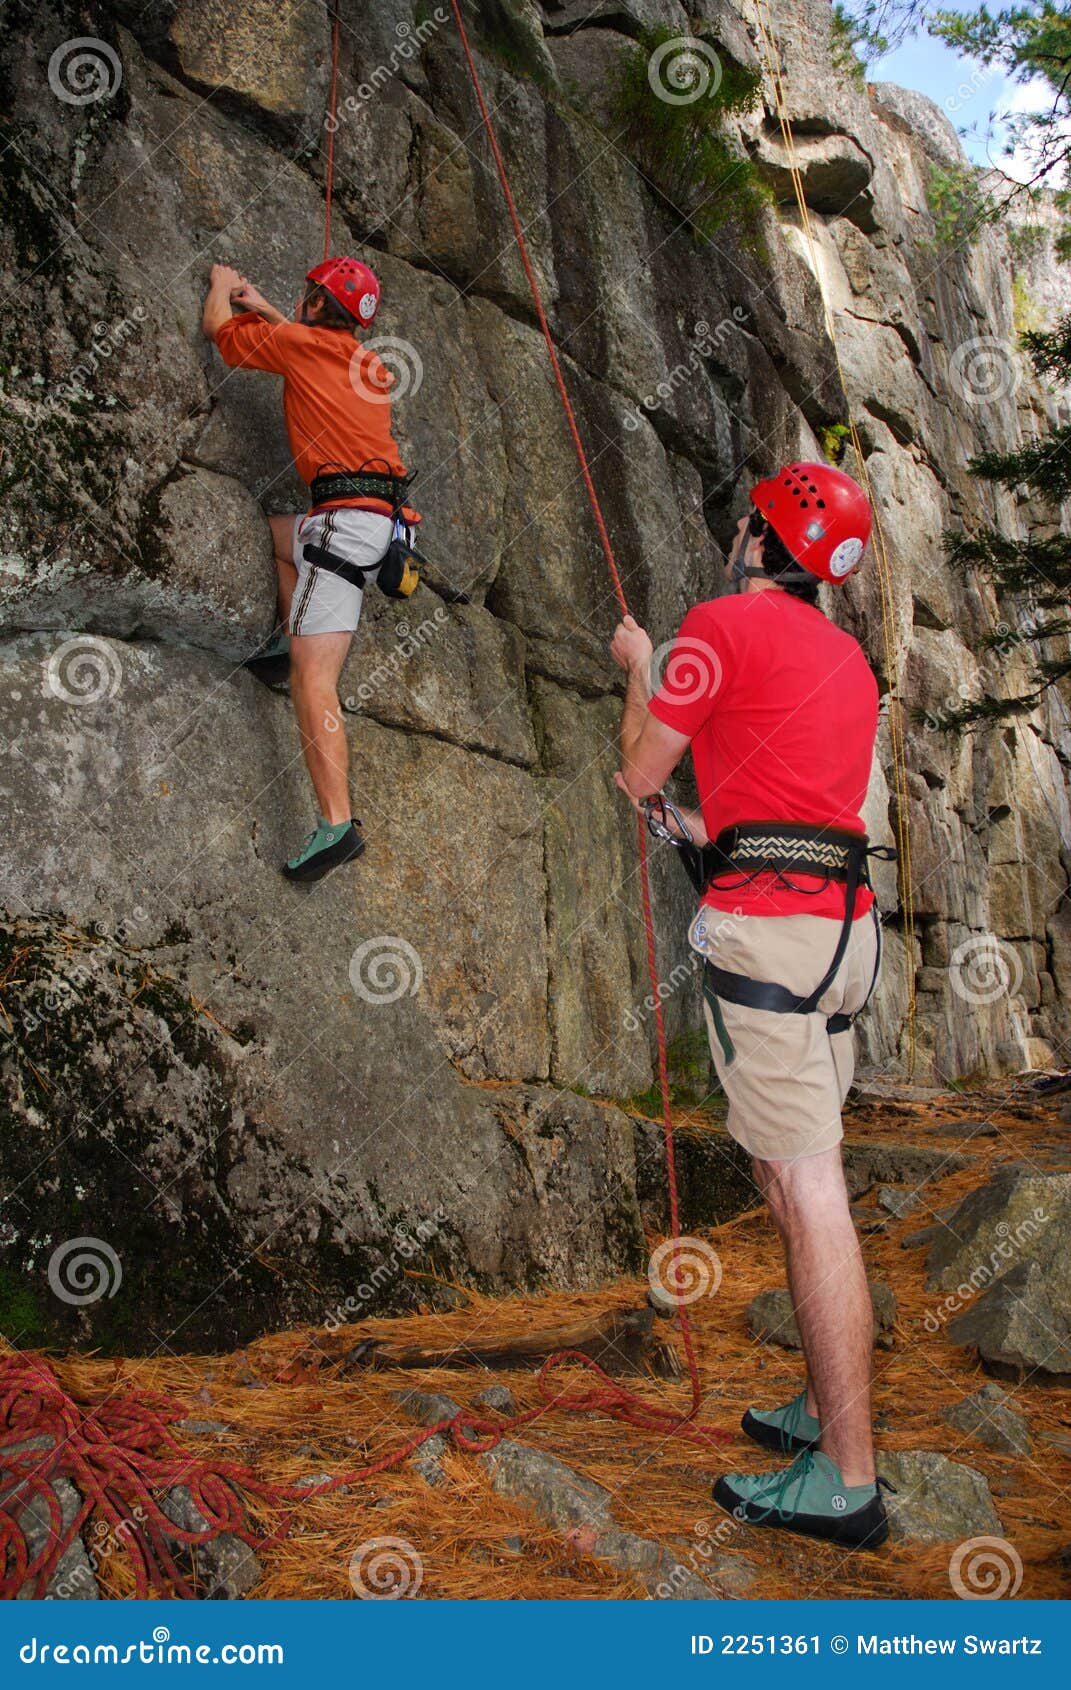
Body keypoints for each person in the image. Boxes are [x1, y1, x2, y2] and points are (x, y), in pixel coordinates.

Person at [611, 462, 892, 1550]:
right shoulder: (851, 662)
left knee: (807, 1182)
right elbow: (785, 801)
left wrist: (643, 666)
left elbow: (638, 771)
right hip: (842, 929)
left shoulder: (717, 625)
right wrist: (701, 827)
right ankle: (829, 1409)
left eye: (744, 527)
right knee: (792, 1173)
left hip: (772, 929)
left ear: (759, 539)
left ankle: (850, 1477)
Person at [201, 256, 420, 882]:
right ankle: (285, 643)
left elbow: (223, 334)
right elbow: (304, 342)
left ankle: (336, 825)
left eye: (309, 297)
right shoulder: (369, 365)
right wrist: (269, 306)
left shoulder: (301, 345)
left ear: (320, 307)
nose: (300, 303)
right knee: (265, 535)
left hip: (342, 524)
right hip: (373, 523)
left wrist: (224, 286)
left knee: (315, 681)